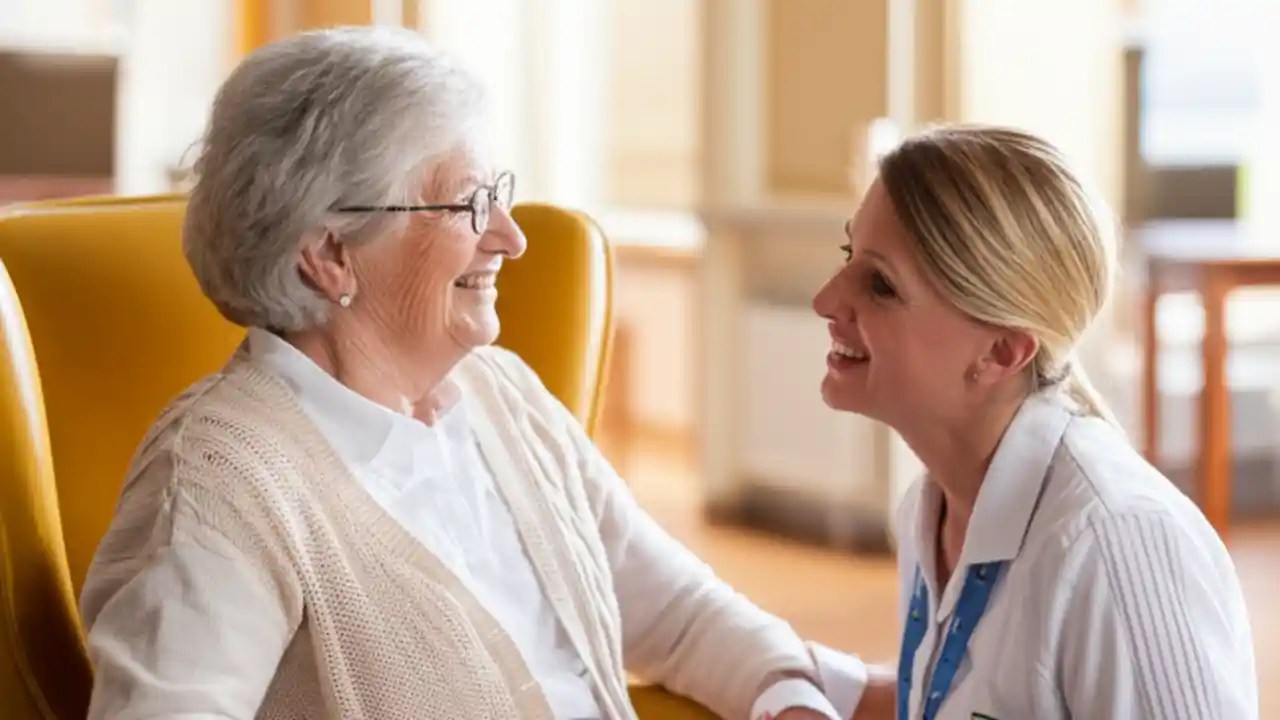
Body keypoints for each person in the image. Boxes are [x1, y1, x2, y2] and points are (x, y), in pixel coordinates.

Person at [78, 26, 893, 720]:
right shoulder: (222, 487)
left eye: (499, 195)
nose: (510, 237)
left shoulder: (500, 394)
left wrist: (793, 695)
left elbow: (673, 612)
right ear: (330, 254)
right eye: (468, 204)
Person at [812, 124, 1258, 719]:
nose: (825, 300)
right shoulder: (931, 508)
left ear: (1002, 352)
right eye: (849, 256)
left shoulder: (1113, 541)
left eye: (880, 284)